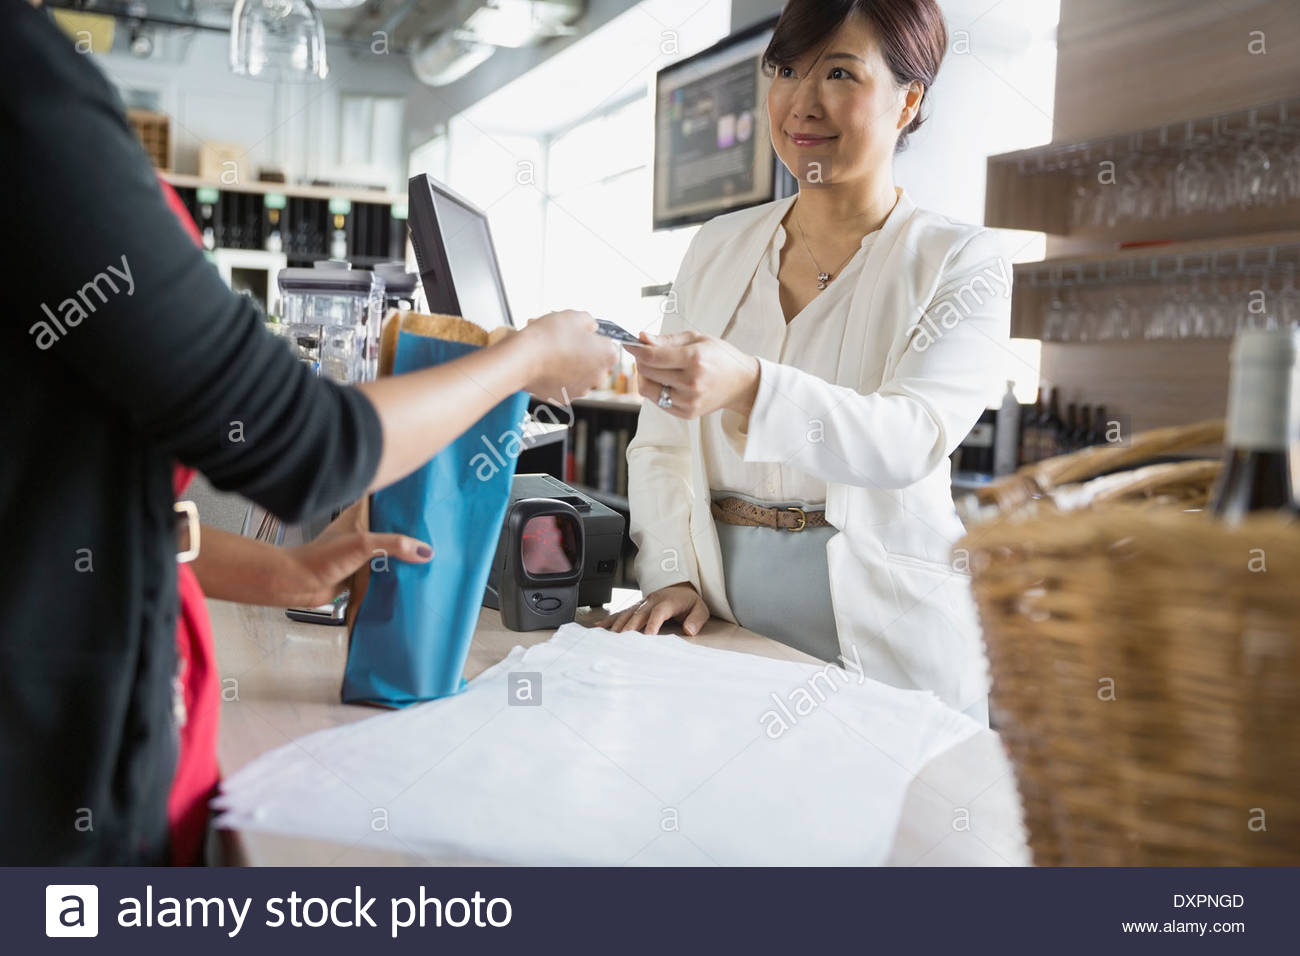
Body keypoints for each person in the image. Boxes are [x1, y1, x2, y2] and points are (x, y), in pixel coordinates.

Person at [1, 0, 618, 864]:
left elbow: (70, 482)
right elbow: (304, 447)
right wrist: (521, 361)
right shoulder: (24, 86)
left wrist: (287, 570)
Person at [603, 0, 1010, 725]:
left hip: (886, 654)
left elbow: (910, 437)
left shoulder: (963, 262)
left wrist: (751, 387)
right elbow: (662, 444)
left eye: (840, 73)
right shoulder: (717, 247)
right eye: (786, 71)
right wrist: (672, 576)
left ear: (909, 100)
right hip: (727, 632)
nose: (802, 101)